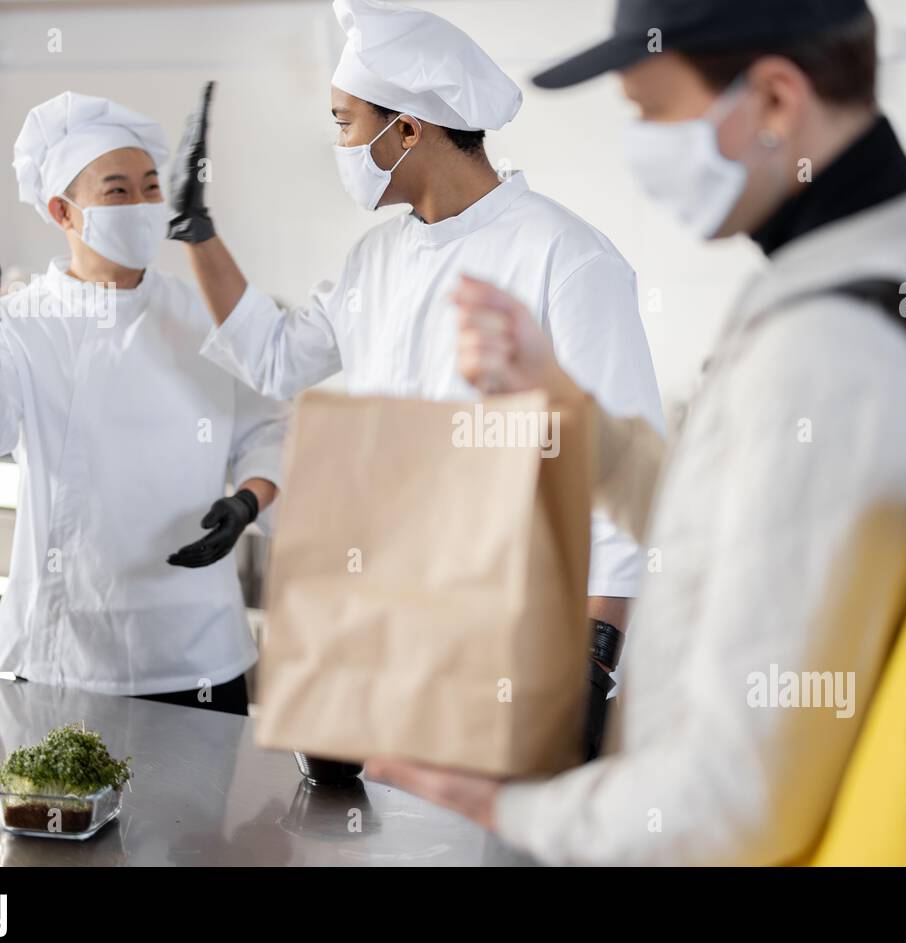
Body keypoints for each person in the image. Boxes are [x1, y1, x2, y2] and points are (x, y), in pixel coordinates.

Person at [366, 0, 906, 864]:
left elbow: (729, 803)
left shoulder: (834, 348)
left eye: (651, 110)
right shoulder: (902, 268)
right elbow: (743, 528)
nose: (643, 151)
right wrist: (567, 409)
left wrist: (512, 808)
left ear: (777, 100)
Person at [169, 0, 665, 752]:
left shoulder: (566, 258)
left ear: (407, 129)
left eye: (345, 122)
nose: (337, 141)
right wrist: (196, 232)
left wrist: (596, 657)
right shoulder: (377, 258)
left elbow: (623, 472)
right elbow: (274, 355)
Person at [0, 92, 287, 715]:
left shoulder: (203, 310)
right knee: (69, 812)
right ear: (64, 211)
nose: (143, 206)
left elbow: (269, 427)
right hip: (71, 649)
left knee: (196, 815)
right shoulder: (27, 317)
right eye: (118, 192)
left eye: (150, 187)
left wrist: (249, 499)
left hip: (198, 645)